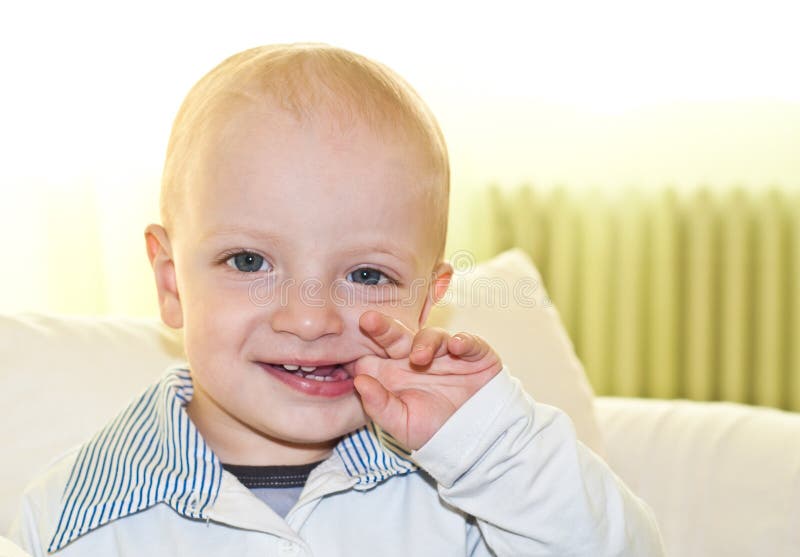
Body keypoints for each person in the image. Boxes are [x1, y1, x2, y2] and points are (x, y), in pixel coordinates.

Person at [9, 43, 665, 556]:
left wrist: (490, 443)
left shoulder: (467, 489)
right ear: (172, 282)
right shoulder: (73, 516)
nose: (309, 318)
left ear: (426, 303)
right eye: (249, 261)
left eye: (367, 275)